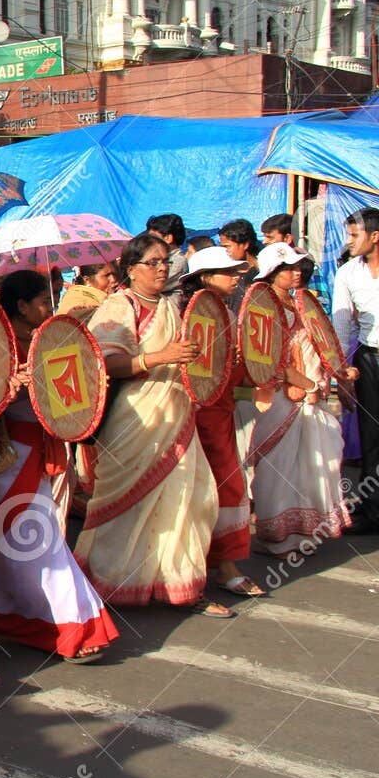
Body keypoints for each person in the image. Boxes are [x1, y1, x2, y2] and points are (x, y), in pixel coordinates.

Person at [74, 233, 225, 615]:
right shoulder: (117, 307)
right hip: (135, 419)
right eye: (152, 263)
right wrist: (160, 357)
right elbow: (104, 363)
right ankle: (111, 580)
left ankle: (177, 582)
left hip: (176, 413)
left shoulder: (172, 306)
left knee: (186, 499)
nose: (161, 269)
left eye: (164, 262)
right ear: (130, 268)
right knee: (126, 506)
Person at [0, 270, 118, 662]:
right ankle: (67, 625)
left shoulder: (54, 340)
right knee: (32, 542)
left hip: (46, 452)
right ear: (21, 307)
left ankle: (24, 617)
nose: (48, 306)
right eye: (42, 301)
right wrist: (10, 386)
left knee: (34, 540)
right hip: (6, 457)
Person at [244, 243, 353, 556]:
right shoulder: (261, 309)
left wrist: (331, 376)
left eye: (296, 267)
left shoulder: (299, 306)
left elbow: (321, 344)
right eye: (286, 268)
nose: (295, 273)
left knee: (311, 462)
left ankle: (302, 528)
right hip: (279, 396)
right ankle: (275, 533)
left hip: (309, 397)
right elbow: (268, 358)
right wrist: (305, 384)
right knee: (278, 464)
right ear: (271, 273)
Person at [181, 248, 262, 595]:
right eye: (226, 273)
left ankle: (224, 564)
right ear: (204, 278)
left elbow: (231, 371)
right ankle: (196, 568)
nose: (235, 278)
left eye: (236, 272)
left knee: (227, 487)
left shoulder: (229, 316)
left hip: (220, 414)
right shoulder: (180, 316)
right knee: (193, 493)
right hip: (188, 416)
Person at [332, 208, 379, 532]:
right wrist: (342, 374)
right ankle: (372, 510)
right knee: (372, 436)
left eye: (354, 235)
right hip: (369, 359)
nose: (348, 242)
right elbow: (341, 325)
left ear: (374, 237)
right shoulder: (348, 272)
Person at [145, 213, 188, 298]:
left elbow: (152, 287)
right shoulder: (159, 259)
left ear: (168, 238)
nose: (149, 242)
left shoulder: (178, 261)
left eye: (153, 237)